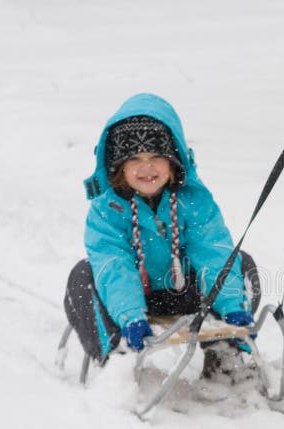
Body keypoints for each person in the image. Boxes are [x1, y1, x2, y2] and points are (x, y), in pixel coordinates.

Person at [64, 93, 260, 380]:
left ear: (174, 160)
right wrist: (130, 314)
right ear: (119, 165)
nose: (148, 167)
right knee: (83, 277)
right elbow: (113, 264)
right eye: (135, 159)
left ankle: (225, 350)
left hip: (186, 293)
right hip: (133, 301)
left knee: (242, 263)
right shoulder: (107, 209)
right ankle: (117, 361)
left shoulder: (194, 200)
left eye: (157, 156)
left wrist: (230, 305)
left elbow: (212, 251)